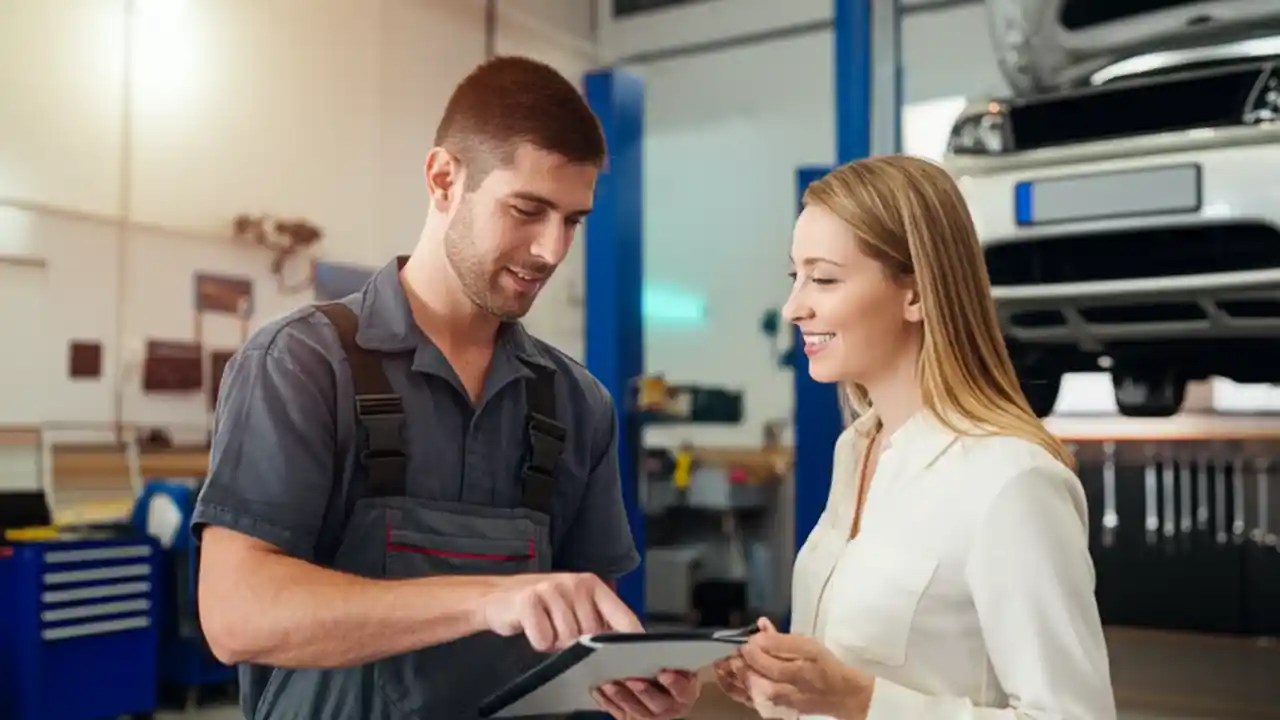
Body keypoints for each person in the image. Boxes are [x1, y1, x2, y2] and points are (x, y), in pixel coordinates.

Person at [192, 56, 699, 720]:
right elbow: (236, 615)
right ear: (443, 179)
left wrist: (627, 678)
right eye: (527, 210)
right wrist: (488, 599)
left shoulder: (577, 405)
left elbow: (584, 632)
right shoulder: (303, 364)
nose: (551, 249)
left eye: (572, 220)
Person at [713, 155, 1116, 719]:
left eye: (823, 278)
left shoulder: (1012, 481)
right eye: (794, 277)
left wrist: (858, 699)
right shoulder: (857, 450)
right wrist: (786, 692)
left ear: (917, 294)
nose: (793, 307)